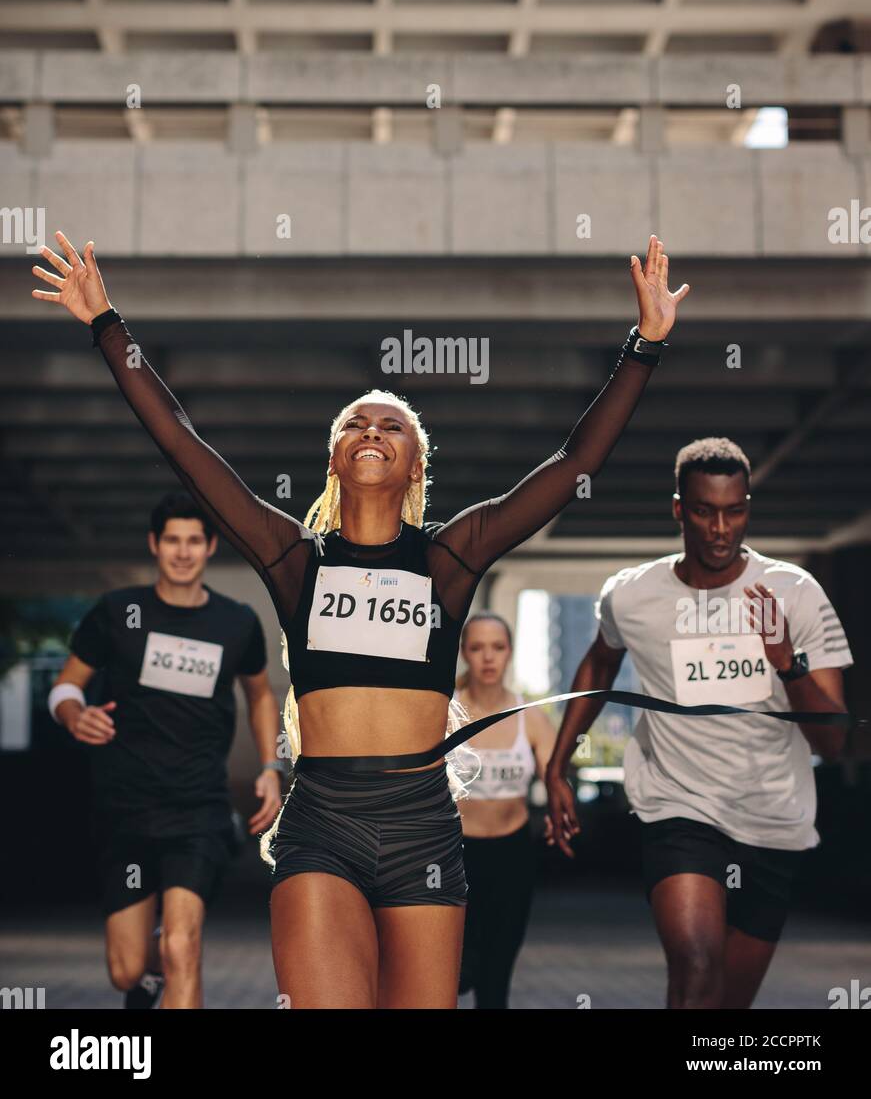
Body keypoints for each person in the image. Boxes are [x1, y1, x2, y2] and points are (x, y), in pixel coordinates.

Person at [32, 229, 687, 1010]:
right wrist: (108, 324)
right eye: (355, 425)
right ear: (334, 457)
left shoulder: (452, 557)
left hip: (423, 828)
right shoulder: (291, 559)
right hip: (322, 823)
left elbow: (574, 463)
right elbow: (181, 440)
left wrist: (643, 344)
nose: (371, 432)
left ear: (414, 465)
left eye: (392, 427)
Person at [545, 436, 853, 1009]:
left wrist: (787, 662)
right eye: (706, 511)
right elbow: (600, 661)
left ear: (747, 510)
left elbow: (832, 740)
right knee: (695, 961)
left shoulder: (795, 593)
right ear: (678, 510)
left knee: (722, 1005)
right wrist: (559, 761)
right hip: (678, 808)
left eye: (734, 511)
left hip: (771, 816)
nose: (721, 528)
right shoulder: (632, 595)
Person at [49, 492, 283, 1009]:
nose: (182, 552)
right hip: (124, 810)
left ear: (210, 546)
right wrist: (73, 714)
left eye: (193, 541)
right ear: (155, 544)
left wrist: (269, 764)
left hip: (197, 811)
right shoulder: (117, 613)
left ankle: (171, 967)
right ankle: (151, 973)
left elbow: (261, 693)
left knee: (183, 946)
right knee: (126, 969)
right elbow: (66, 686)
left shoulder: (236, 623)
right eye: (172, 540)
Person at [454, 612, 555, 1009]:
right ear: (464, 653)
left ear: (510, 652)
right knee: (458, 971)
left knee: (496, 978)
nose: (488, 658)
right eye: (477, 648)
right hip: (455, 856)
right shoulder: (445, 714)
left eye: (497, 647)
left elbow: (556, 781)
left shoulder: (532, 718)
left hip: (513, 854)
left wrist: (561, 815)